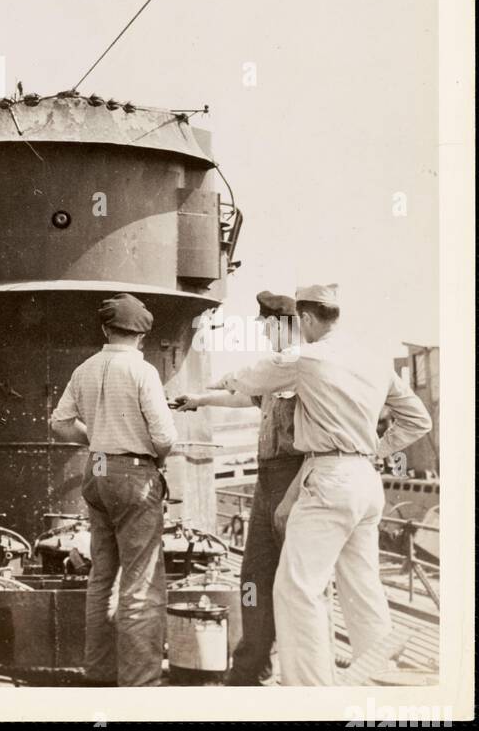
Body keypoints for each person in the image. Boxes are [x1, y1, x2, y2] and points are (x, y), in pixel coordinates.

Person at [216, 283, 432, 685]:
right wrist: (378, 450)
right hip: (367, 483)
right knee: (362, 587)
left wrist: (222, 381)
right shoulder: (372, 360)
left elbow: (250, 379)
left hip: (329, 479)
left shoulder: (306, 358)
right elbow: (419, 420)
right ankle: (381, 678)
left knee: (297, 588)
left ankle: (311, 693)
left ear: (309, 319)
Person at [49, 293, 175, 686]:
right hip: (133, 473)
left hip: (97, 469)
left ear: (105, 329)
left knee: (102, 576)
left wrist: (95, 438)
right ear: (141, 336)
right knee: (141, 581)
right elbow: (165, 436)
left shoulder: (84, 369)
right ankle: (140, 682)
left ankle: (99, 671)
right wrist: (158, 456)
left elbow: (59, 422)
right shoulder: (143, 372)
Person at [179, 291, 303, 684]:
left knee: (297, 578)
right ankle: (253, 663)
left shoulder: (302, 365)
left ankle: (297, 668)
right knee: (253, 577)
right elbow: (245, 397)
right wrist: (197, 399)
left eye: (266, 326)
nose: (264, 334)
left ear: (281, 324)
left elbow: (247, 382)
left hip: (295, 479)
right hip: (267, 479)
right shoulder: (272, 373)